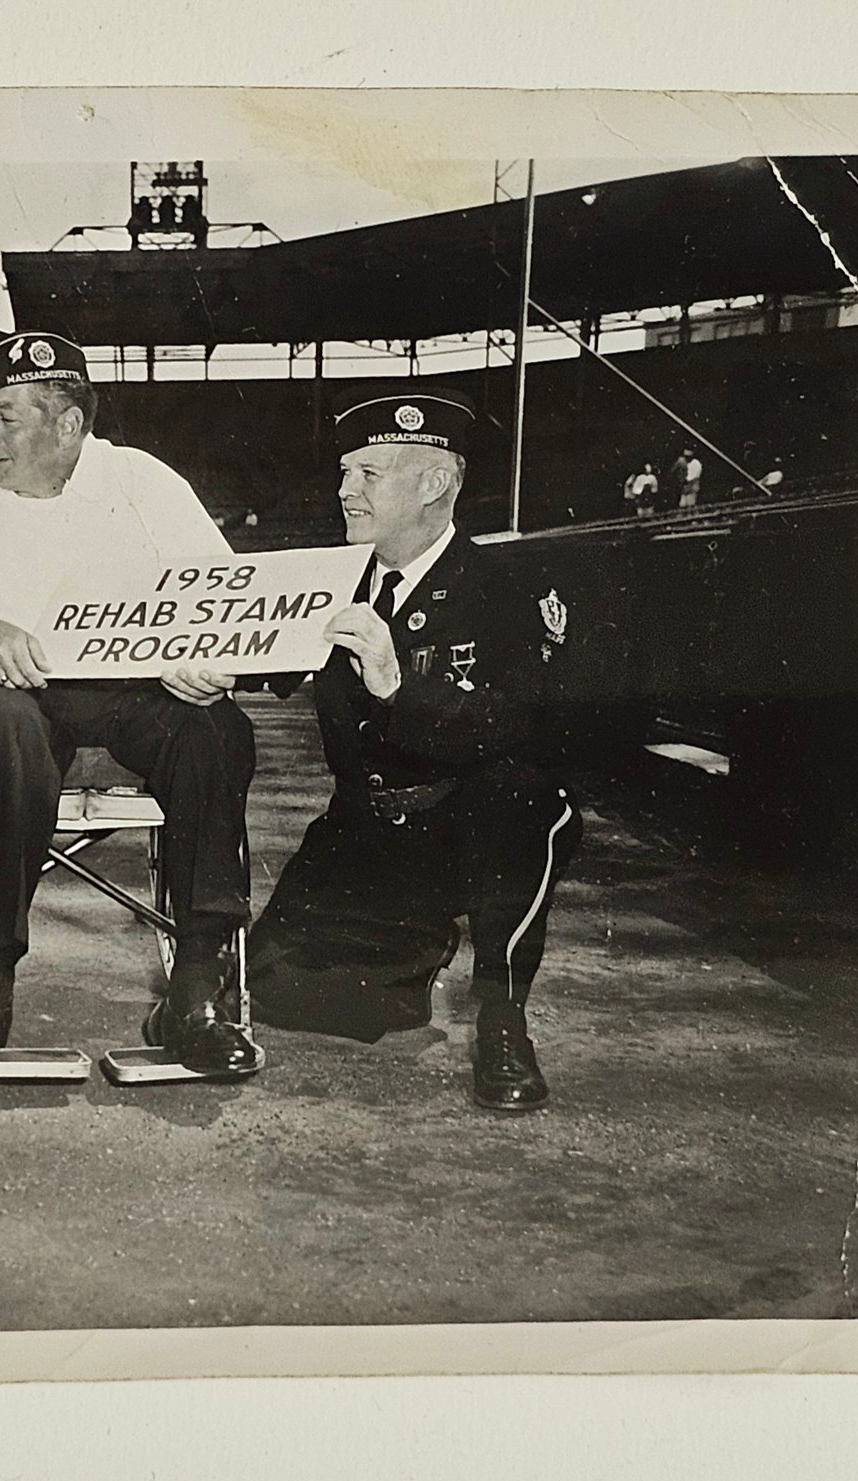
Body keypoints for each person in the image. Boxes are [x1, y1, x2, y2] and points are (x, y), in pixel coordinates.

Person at [0, 330, 260, 1079]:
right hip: (10, 697)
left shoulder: (143, 482)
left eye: (6, 418)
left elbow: (230, 603)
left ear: (69, 425)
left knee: (215, 728)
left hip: (136, 691)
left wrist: (212, 658)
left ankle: (196, 986)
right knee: (4, 725)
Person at [245, 389, 584, 1112]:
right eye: (344, 472)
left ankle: (502, 1016)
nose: (344, 490)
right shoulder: (329, 581)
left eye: (368, 474)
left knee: (525, 796)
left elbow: (530, 725)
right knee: (278, 992)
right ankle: (407, 958)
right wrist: (200, 666)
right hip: (365, 827)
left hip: (465, 826)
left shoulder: (507, 587)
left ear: (434, 484)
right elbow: (251, 658)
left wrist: (401, 690)